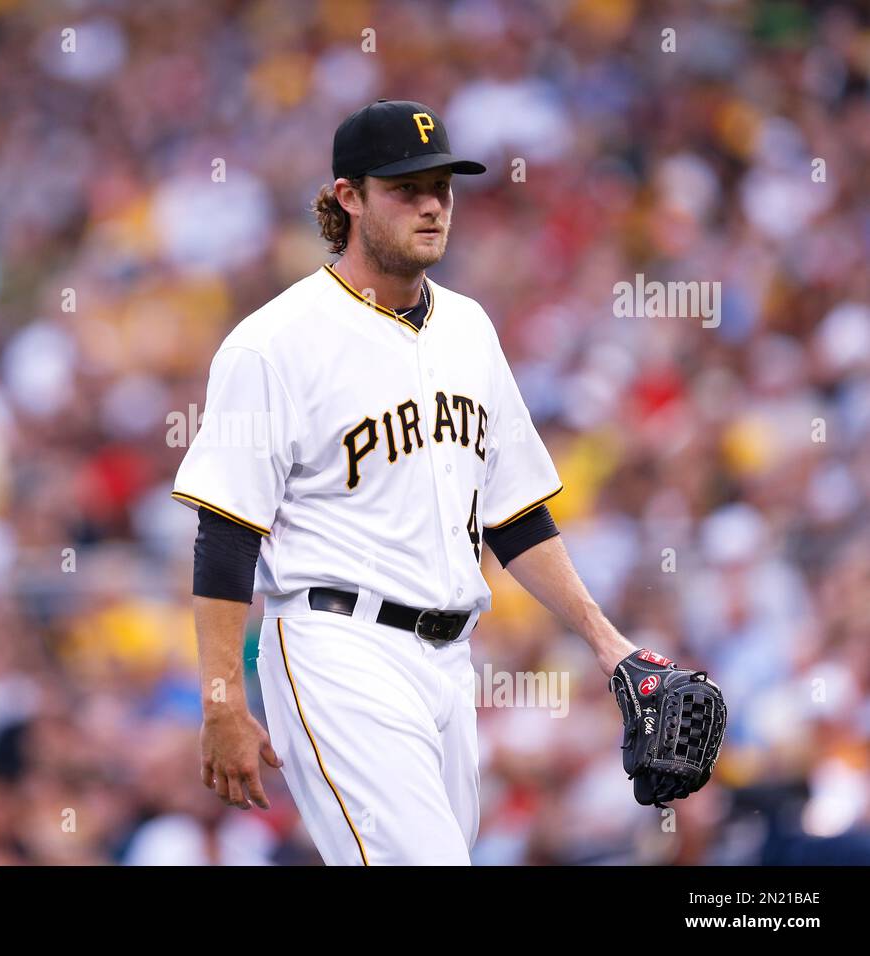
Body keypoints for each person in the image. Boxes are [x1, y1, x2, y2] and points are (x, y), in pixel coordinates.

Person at [171, 99, 641, 865]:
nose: (431, 204)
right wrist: (222, 697)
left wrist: (605, 640)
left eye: (442, 187)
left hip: (452, 663)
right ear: (346, 197)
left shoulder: (470, 328)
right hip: (336, 647)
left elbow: (515, 516)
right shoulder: (272, 344)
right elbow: (225, 532)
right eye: (405, 187)